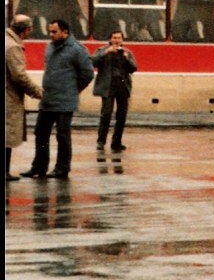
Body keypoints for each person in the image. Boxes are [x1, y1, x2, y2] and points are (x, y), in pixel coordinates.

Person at [21, 19, 93, 179]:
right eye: (50, 31)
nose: (50, 35)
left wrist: (73, 89)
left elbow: (87, 74)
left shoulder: (77, 50)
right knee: (40, 133)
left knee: (63, 136)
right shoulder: (50, 47)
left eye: (54, 32)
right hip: (48, 99)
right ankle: (38, 167)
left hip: (65, 101)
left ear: (65, 32)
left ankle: (62, 168)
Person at [6, 15, 45, 181]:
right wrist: (37, 91)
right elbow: (19, 76)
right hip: (8, 97)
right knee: (7, 134)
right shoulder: (13, 47)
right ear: (26, 30)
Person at [92, 30, 138, 152]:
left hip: (122, 86)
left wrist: (127, 59)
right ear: (110, 39)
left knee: (121, 115)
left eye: (119, 38)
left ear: (122, 40)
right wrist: (106, 52)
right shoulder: (102, 50)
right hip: (108, 86)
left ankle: (117, 142)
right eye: (114, 38)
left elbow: (133, 68)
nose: (117, 40)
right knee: (106, 114)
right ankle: (101, 141)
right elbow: (93, 62)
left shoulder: (127, 52)